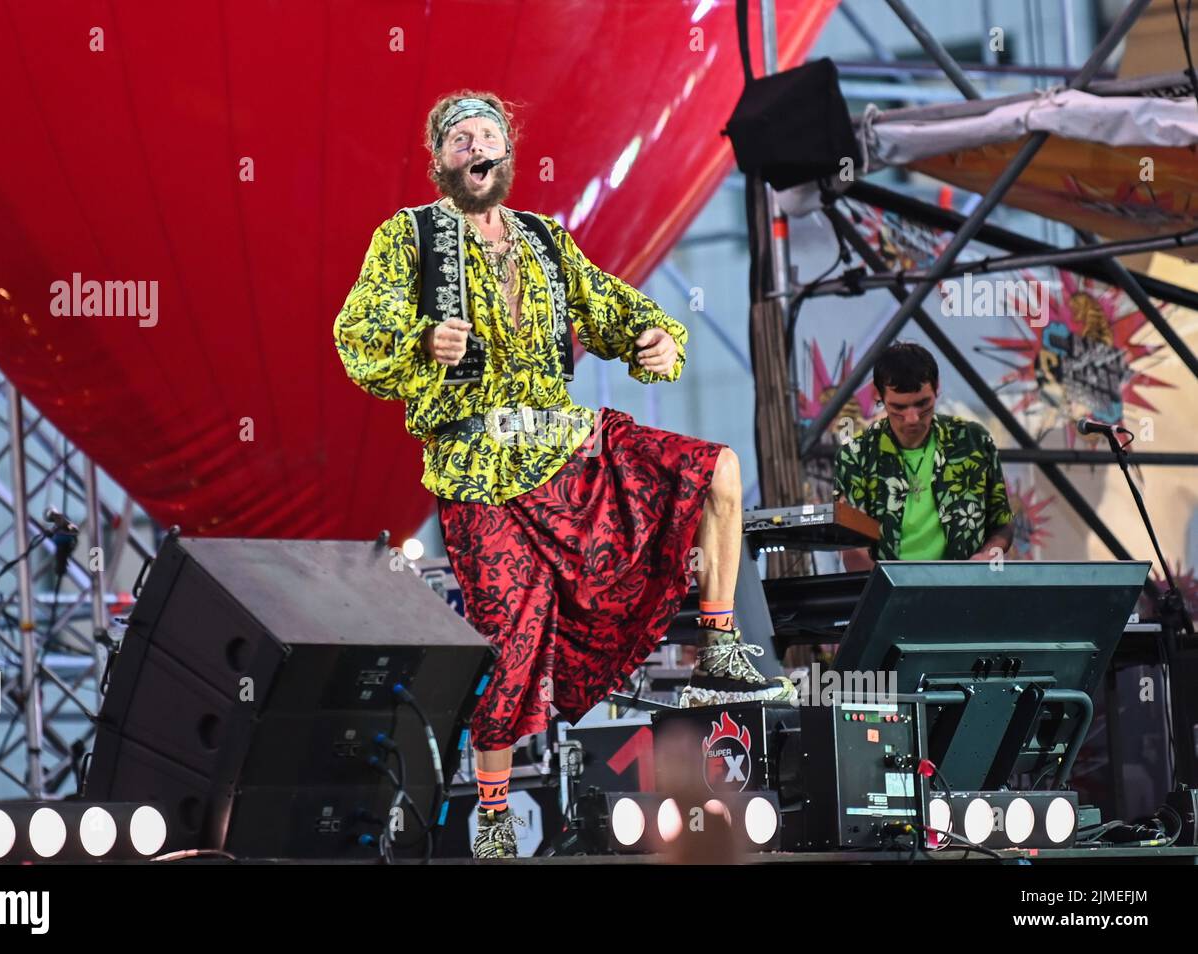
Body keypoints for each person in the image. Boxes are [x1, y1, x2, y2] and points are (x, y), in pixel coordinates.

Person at [334, 90, 790, 859]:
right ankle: (493, 812)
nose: (474, 148)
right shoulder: (409, 239)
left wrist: (654, 337)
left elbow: (615, 309)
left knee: (719, 470)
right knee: (512, 643)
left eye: (486, 135)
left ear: (507, 152)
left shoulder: (547, 241)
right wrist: (423, 341)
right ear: (440, 161)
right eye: (458, 139)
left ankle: (718, 644)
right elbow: (357, 336)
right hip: (480, 473)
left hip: (569, 454)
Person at [835, 342, 1014, 569]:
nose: (912, 418)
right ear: (878, 395)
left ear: (937, 387)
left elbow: (1002, 523)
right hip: (890, 595)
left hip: (965, 589)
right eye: (899, 407)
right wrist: (894, 593)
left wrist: (990, 553)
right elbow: (851, 547)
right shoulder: (856, 455)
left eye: (923, 404)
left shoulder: (973, 441)